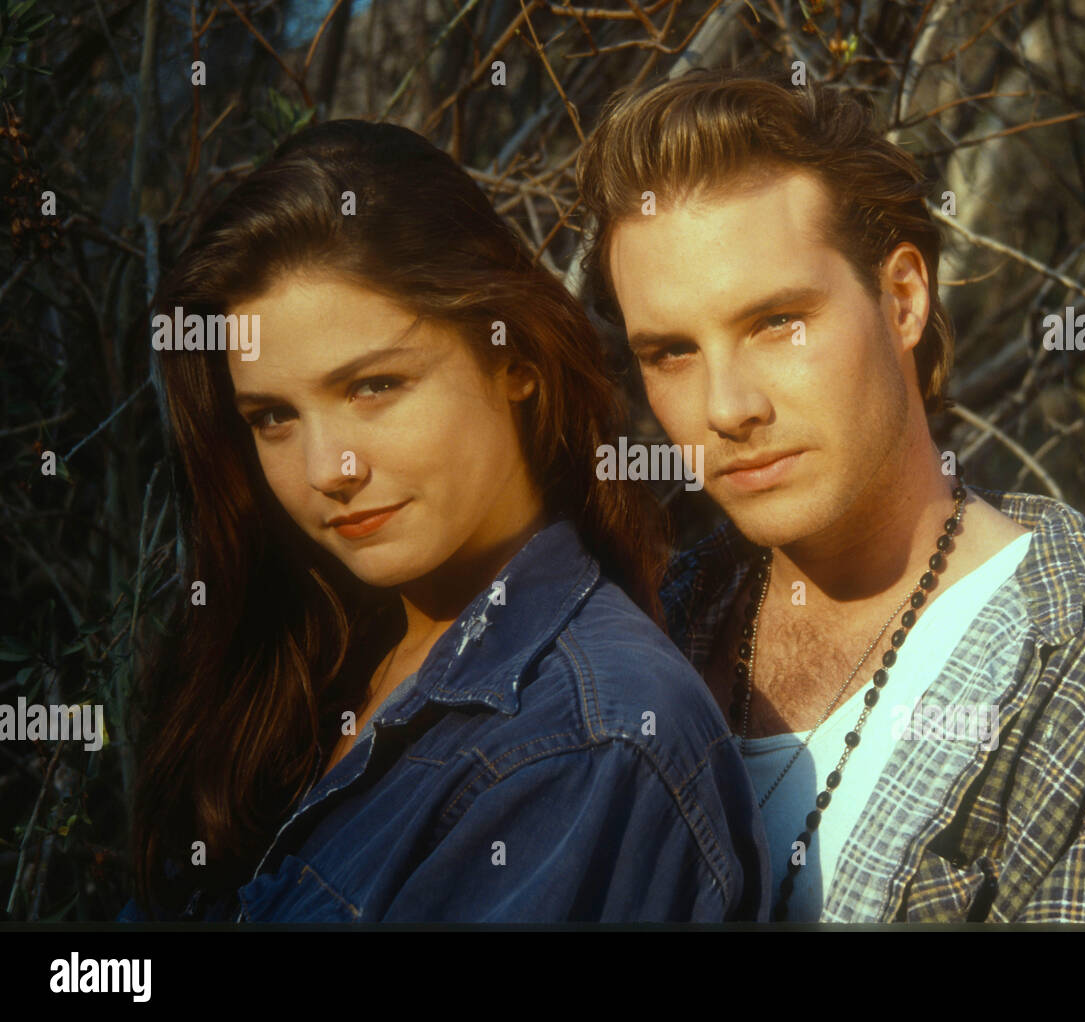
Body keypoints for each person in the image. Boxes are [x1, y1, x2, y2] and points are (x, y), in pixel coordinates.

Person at [573, 69, 1085, 922]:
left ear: (902, 299)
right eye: (671, 351)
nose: (728, 407)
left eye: (777, 321)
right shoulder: (639, 631)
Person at [118, 119, 768, 922]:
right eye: (274, 417)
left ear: (514, 361)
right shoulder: (316, 652)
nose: (329, 470)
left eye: (374, 386)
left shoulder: (593, 742)